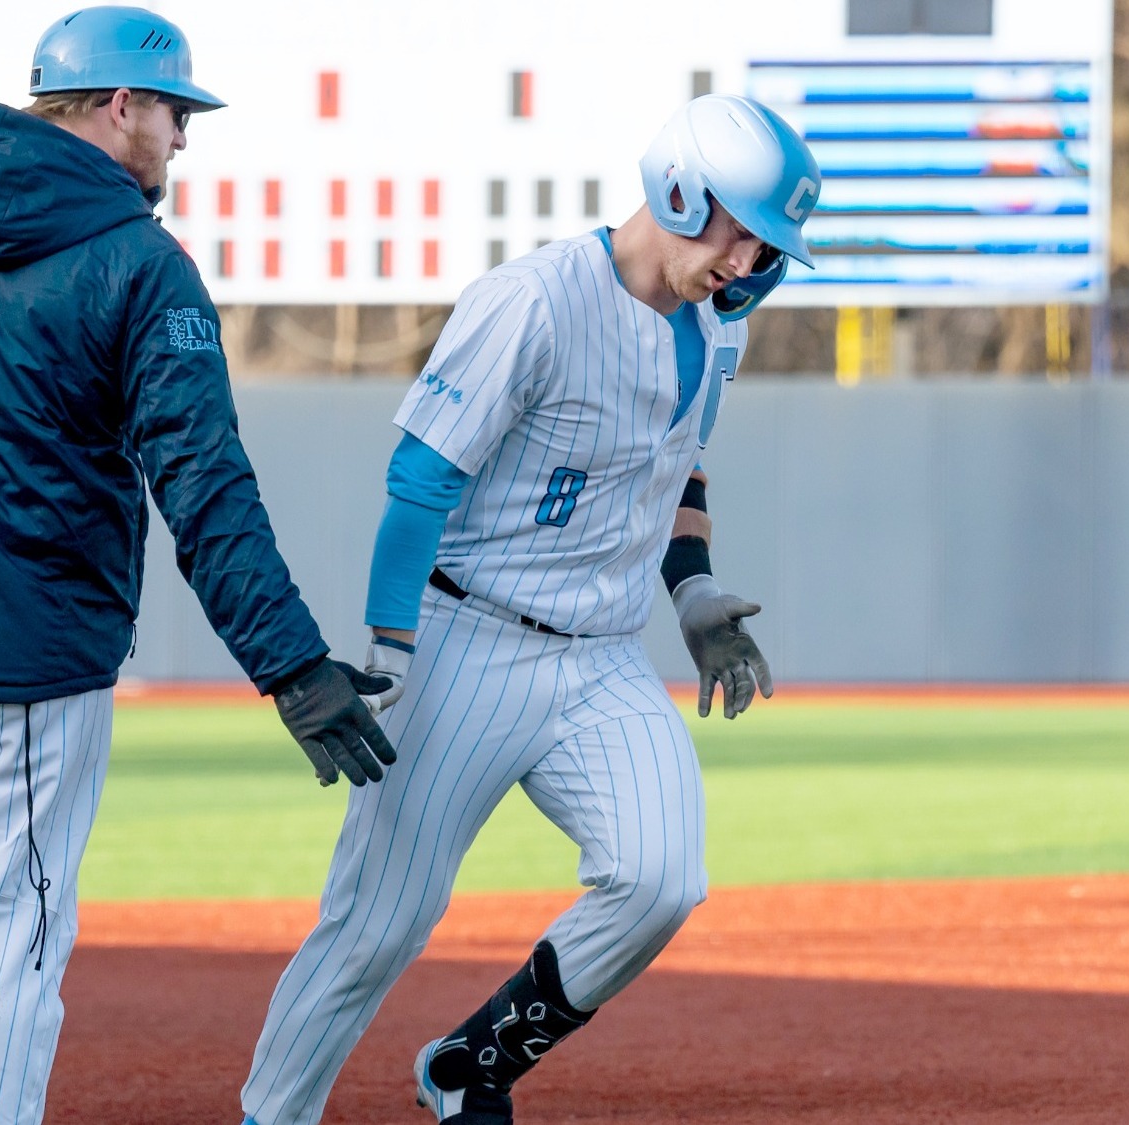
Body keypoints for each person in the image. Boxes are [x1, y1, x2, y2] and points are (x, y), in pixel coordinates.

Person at [0, 7, 396, 1123]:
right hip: (31, 662)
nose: (181, 139)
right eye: (172, 111)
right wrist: (292, 666)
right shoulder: (139, 264)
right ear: (117, 107)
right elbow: (202, 485)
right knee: (8, 931)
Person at [236, 94, 822, 1125]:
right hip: (467, 637)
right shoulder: (534, 301)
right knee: (377, 923)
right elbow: (419, 481)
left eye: (765, 242)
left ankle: (469, 1066)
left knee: (658, 880)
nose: (747, 260)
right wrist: (388, 646)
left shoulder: (717, 330)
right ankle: (270, 1115)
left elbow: (679, 471)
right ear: (677, 189)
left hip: (598, 658)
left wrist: (690, 594)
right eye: (737, 228)